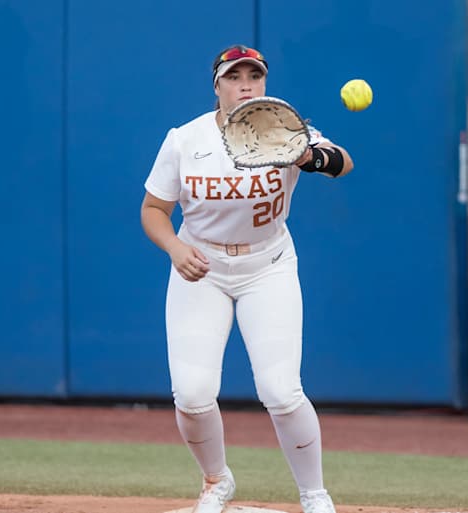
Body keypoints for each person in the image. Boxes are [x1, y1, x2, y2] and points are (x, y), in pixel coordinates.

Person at [140, 44, 353, 513]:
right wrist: (175, 248)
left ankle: (315, 495)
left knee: (280, 390)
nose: (245, 85)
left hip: (268, 266)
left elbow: (341, 162)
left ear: (264, 83)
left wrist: (308, 157)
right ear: (216, 86)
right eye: (234, 77)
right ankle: (216, 480)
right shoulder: (184, 139)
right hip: (203, 268)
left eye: (253, 76)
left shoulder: (284, 129)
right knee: (193, 395)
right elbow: (154, 210)